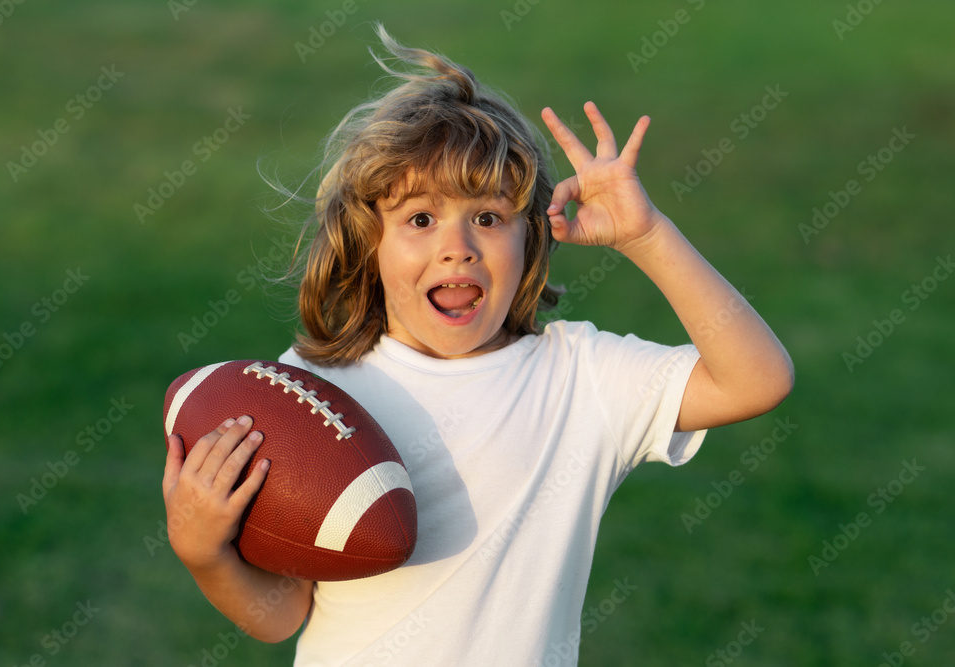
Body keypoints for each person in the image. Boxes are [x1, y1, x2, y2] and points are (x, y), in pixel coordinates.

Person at [162, 24, 794, 666]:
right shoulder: (318, 388)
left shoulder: (582, 379)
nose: (457, 244)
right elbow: (284, 615)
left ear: (531, 240)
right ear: (368, 242)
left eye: (488, 218)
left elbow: (757, 380)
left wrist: (648, 236)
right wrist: (204, 553)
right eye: (420, 218)